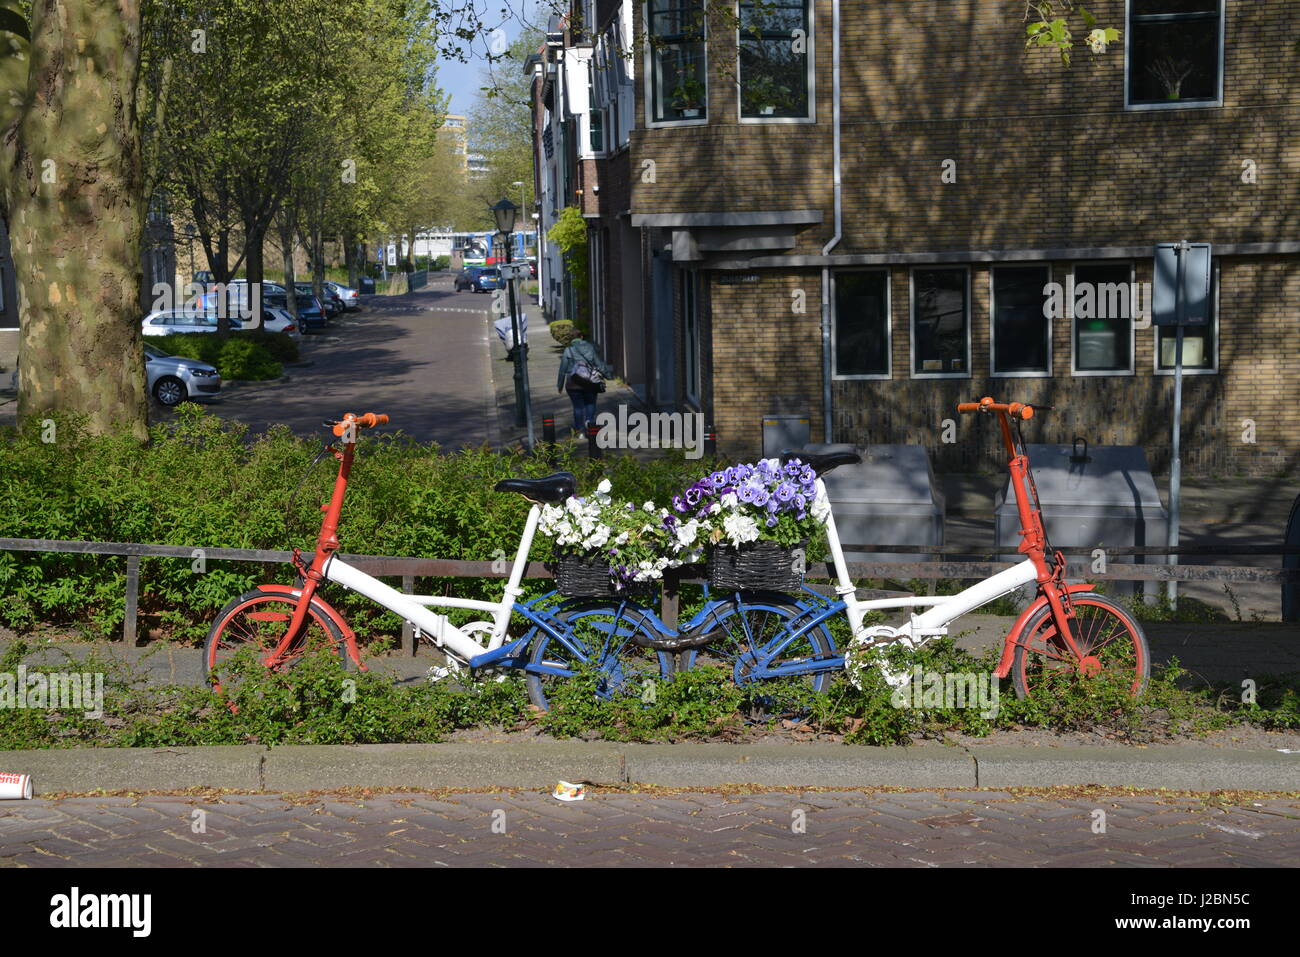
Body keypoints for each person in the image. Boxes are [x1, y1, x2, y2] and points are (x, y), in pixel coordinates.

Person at [557, 332, 613, 436]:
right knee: (590, 403)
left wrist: (559, 385)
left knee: (577, 407)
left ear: (571, 339)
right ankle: (589, 425)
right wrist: (608, 376)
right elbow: (599, 364)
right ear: (581, 337)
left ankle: (579, 431)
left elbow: (562, 369)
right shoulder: (590, 348)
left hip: (573, 383)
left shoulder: (568, 350)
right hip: (589, 382)